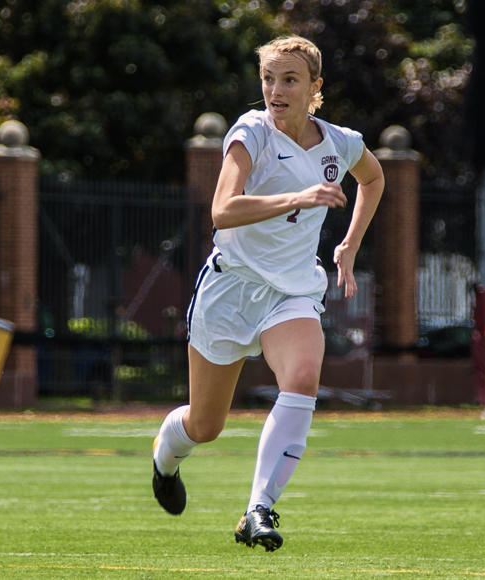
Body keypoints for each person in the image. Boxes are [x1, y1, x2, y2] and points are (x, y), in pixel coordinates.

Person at [151, 35, 385, 552]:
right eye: (268, 79)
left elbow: (373, 177)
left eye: (290, 80)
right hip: (231, 289)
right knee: (205, 424)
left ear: (315, 87)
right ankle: (165, 461)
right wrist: (299, 197)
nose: (275, 91)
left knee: (302, 377)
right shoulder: (251, 132)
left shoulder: (340, 142)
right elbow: (222, 210)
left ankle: (257, 509)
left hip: (293, 292)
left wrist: (348, 245)